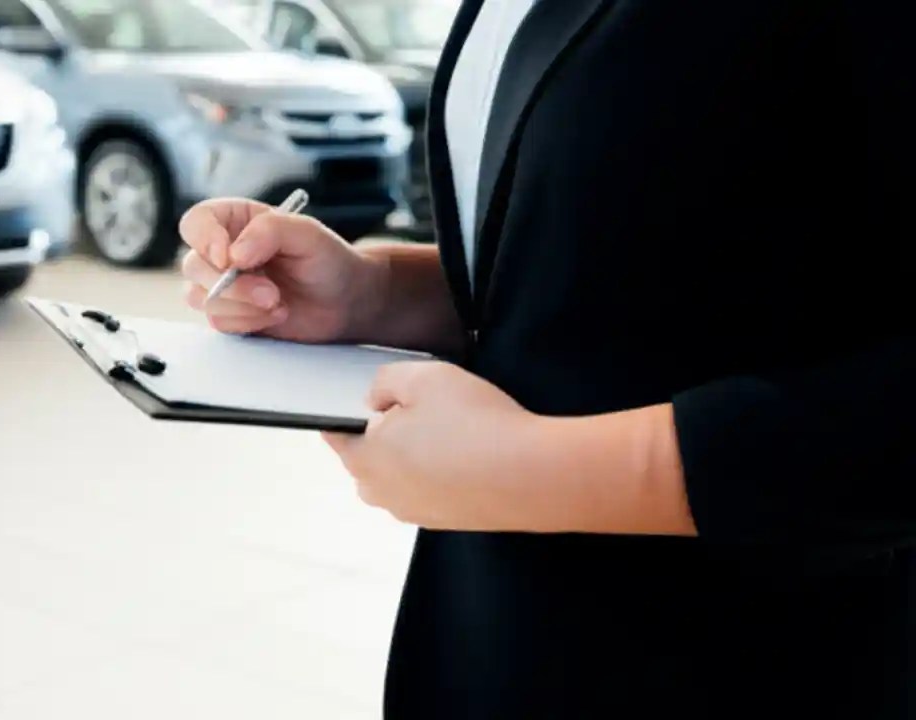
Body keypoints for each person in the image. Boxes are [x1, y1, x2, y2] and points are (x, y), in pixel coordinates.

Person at [179, 0, 912, 717]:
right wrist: (372, 294)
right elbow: (635, 267)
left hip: (749, 657)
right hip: (497, 632)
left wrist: (538, 469)